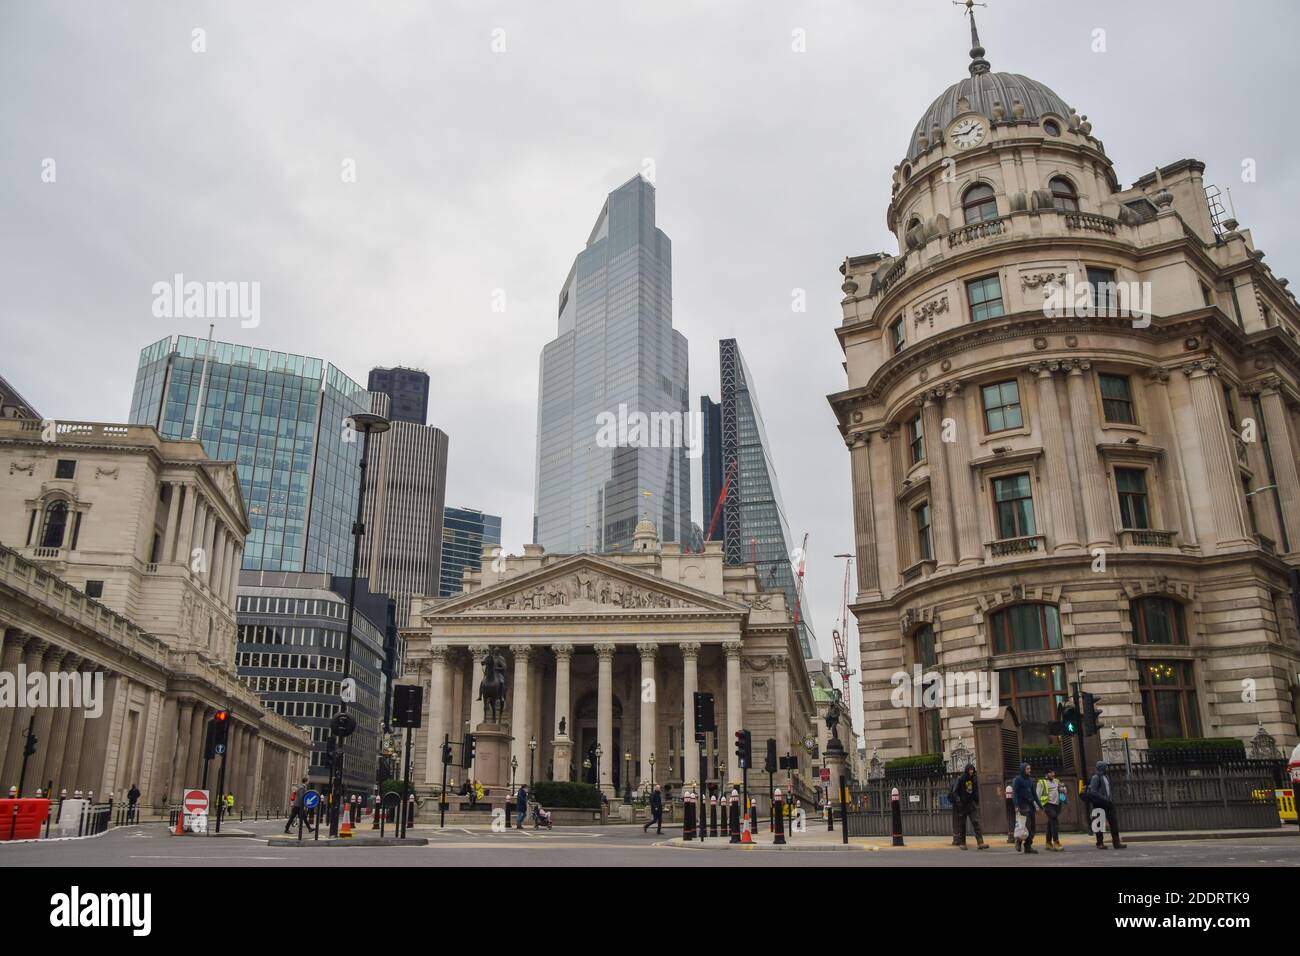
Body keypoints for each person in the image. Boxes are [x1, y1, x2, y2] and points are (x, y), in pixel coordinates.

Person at [1086, 761, 1127, 849]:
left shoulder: (1106, 777)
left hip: (1108, 803)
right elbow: (1093, 792)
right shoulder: (1095, 777)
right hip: (1099, 803)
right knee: (1099, 824)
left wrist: (1110, 799)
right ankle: (1100, 843)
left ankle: (1116, 843)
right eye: (1105, 767)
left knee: (1114, 823)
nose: (1106, 768)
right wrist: (1103, 798)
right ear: (1101, 767)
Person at [950, 764, 988, 850]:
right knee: (962, 824)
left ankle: (980, 842)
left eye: (972, 770)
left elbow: (975, 790)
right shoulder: (961, 779)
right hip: (962, 805)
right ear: (966, 770)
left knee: (975, 822)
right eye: (970, 770)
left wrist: (976, 800)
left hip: (971, 804)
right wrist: (958, 801)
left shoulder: (974, 779)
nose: (971, 771)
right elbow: (954, 791)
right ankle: (962, 843)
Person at [1011, 763, 1040, 854]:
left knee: (1033, 828)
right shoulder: (1018, 780)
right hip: (1022, 805)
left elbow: (1034, 794)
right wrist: (1016, 806)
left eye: (1029, 769)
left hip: (1031, 805)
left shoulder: (1030, 780)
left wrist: (1040, 805)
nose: (1029, 770)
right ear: (1023, 769)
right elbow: (1014, 793)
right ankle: (1018, 841)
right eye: (1027, 769)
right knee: (1026, 826)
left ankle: (1028, 847)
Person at [1037, 768, 1066, 851]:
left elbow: (1064, 790)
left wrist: (1062, 788)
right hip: (1048, 805)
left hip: (1057, 805)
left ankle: (1048, 843)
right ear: (1046, 774)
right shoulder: (1041, 782)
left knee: (1051, 822)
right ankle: (1056, 842)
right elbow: (1038, 795)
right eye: (1051, 772)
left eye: (1053, 772)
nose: (1053, 774)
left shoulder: (1057, 781)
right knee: (1054, 820)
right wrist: (1036, 806)